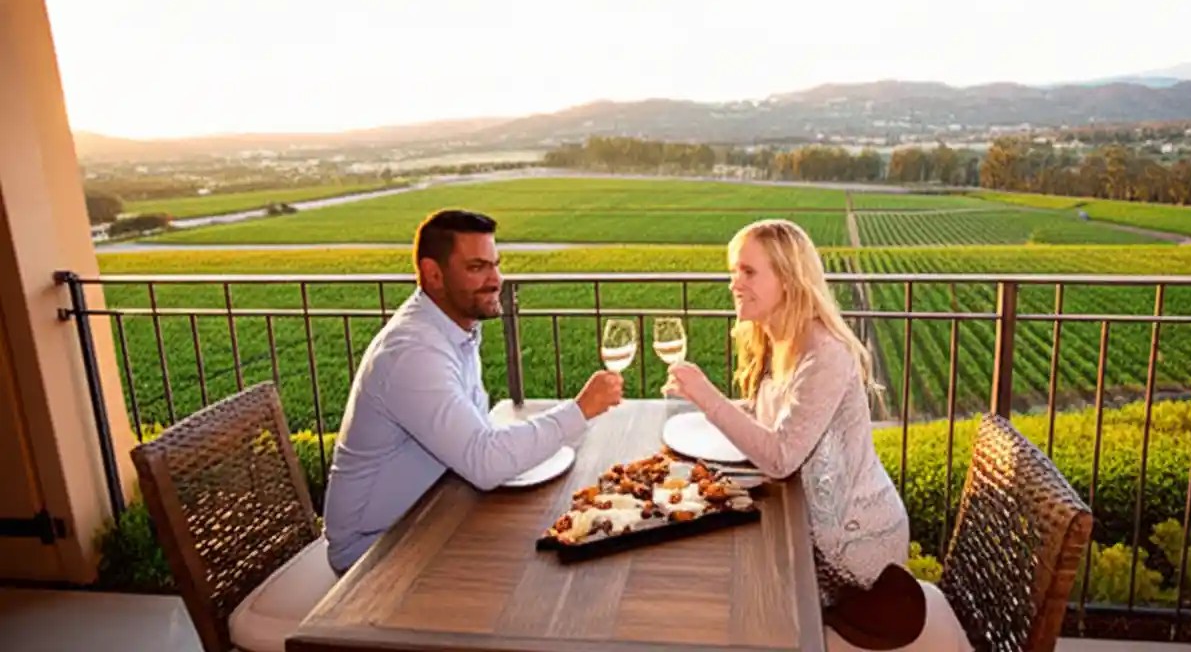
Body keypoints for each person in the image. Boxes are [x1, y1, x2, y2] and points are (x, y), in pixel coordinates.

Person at [663, 219, 929, 648]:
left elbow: (782, 456)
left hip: (853, 550)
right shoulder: (776, 337)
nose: (734, 283)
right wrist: (705, 405)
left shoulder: (824, 355)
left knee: (746, 604)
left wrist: (709, 399)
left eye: (748, 271)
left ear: (787, 279)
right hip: (803, 520)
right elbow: (771, 417)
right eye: (734, 270)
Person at [323, 209, 623, 573]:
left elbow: (479, 439)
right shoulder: (413, 352)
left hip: (436, 511)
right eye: (477, 267)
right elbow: (484, 461)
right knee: (530, 577)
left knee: (552, 545)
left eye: (495, 264)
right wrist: (580, 410)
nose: (496, 280)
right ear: (434, 275)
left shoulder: (454, 331)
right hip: (376, 548)